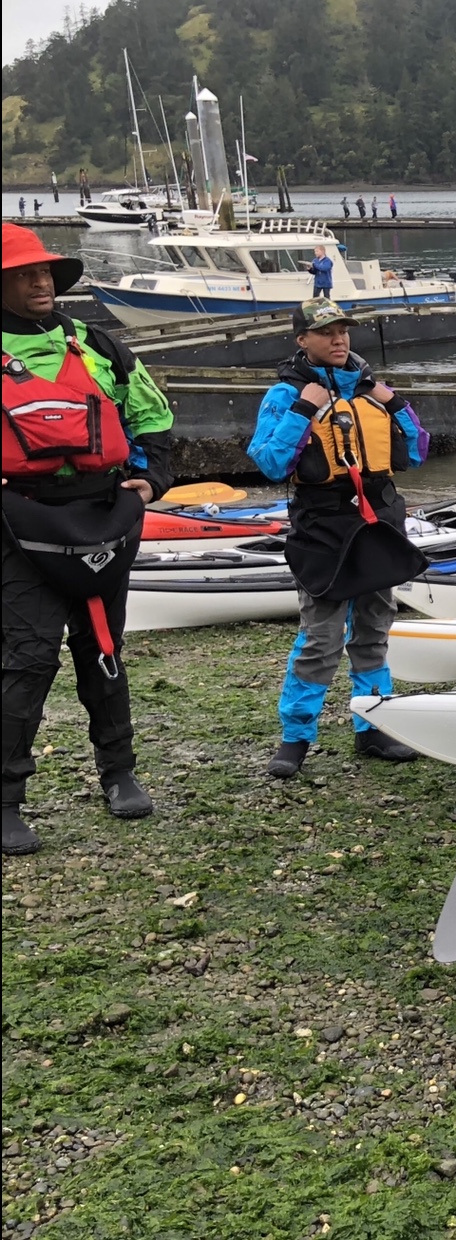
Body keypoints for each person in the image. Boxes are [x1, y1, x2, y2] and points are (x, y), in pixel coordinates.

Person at [2, 224, 175, 855]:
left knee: (103, 648)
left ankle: (119, 772)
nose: (41, 281)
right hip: (20, 524)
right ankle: (7, 798)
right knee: (27, 657)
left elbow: (153, 421)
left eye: (46, 271)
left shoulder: (95, 345)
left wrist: (148, 483)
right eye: (25, 273)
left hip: (102, 517)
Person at [246, 299, 430, 778]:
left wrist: (399, 405)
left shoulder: (371, 391)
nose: (339, 339)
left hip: (377, 524)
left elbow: (418, 451)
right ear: (302, 339)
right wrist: (305, 409)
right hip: (322, 528)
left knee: (373, 630)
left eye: (343, 330)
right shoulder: (284, 394)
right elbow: (269, 463)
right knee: (321, 637)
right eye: (325, 331)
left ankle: (373, 726)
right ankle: (296, 736)